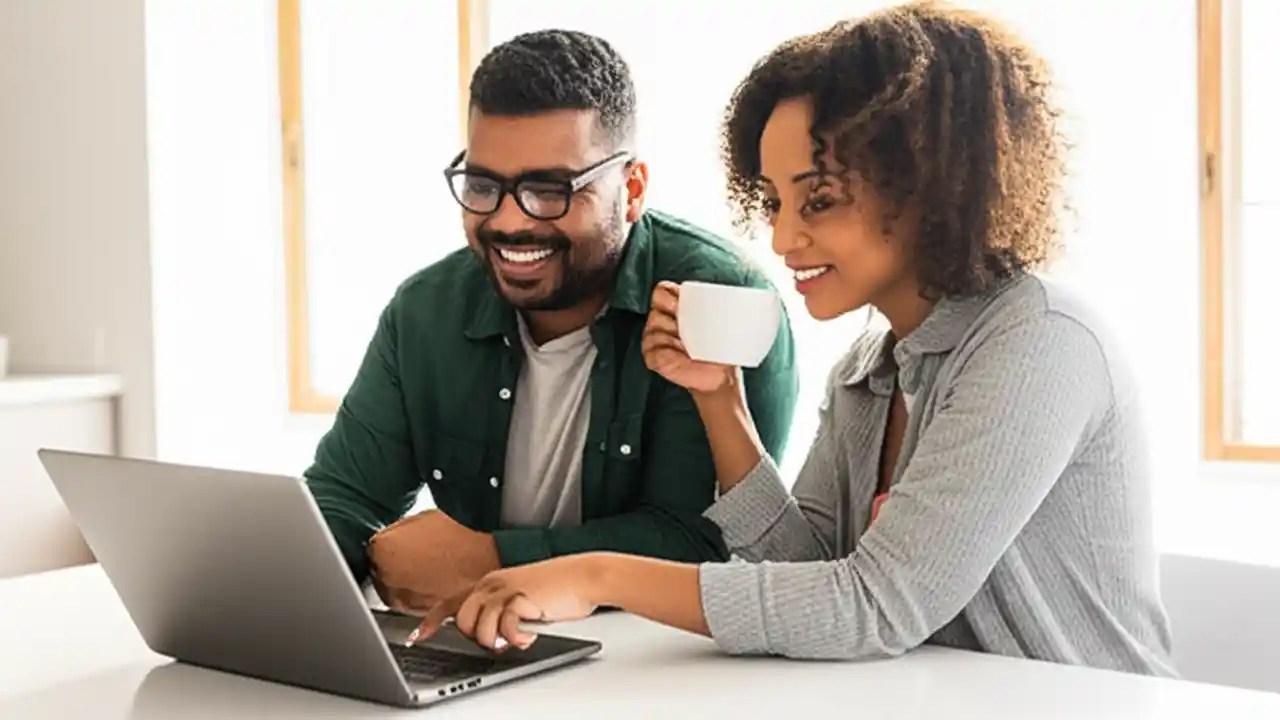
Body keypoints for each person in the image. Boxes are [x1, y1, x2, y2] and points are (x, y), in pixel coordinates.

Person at [411, 2, 1176, 677]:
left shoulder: (1040, 342)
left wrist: (596, 575)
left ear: (930, 182)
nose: (781, 239)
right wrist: (720, 401)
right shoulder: (869, 369)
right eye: (773, 201)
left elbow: (874, 605)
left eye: (819, 200)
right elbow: (804, 571)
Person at [304, 29, 799, 611]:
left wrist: (493, 559)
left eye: (549, 190)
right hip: (479, 645)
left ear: (632, 189)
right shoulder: (424, 312)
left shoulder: (718, 304)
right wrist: (280, 578)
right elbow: (344, 498)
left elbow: (702, 541)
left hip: (662, 656)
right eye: (483, 186)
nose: (511, 221)